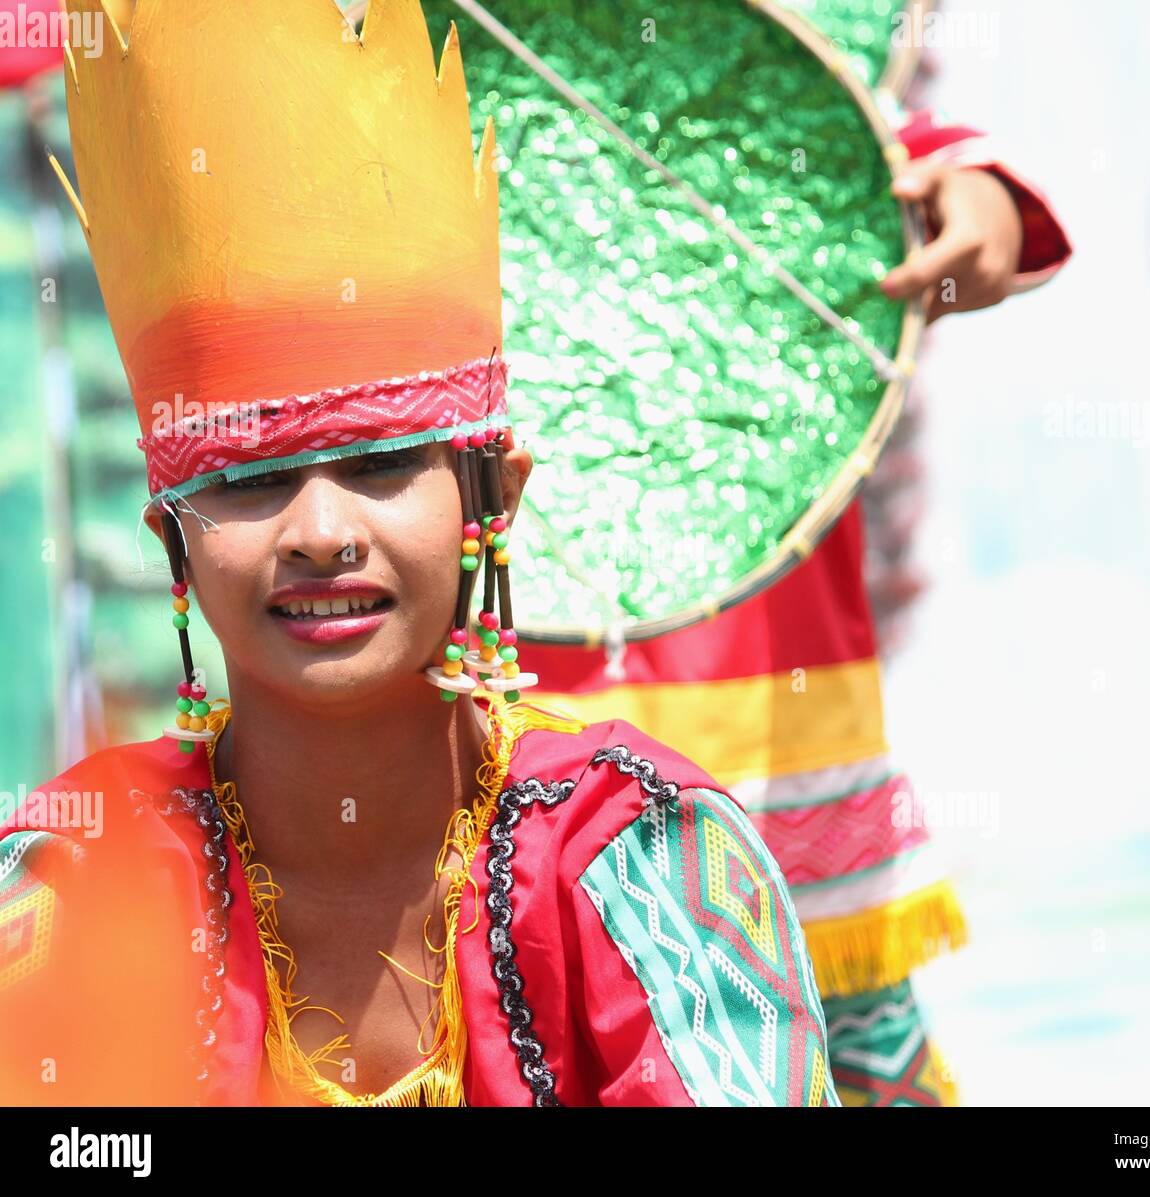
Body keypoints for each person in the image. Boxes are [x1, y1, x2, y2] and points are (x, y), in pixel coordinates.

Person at [0, 1, 834, 1107]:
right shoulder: (76, 875)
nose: (321, 534)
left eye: (385, 466)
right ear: (173, 544)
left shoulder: (636, 855)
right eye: (248, 482)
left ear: (495, 496)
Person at [523, 102, 1072, 1104]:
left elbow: (909, 169)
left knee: (793, 1040)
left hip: (770, 715)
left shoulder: (761, 77)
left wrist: (970, 201)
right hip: (511, 702)